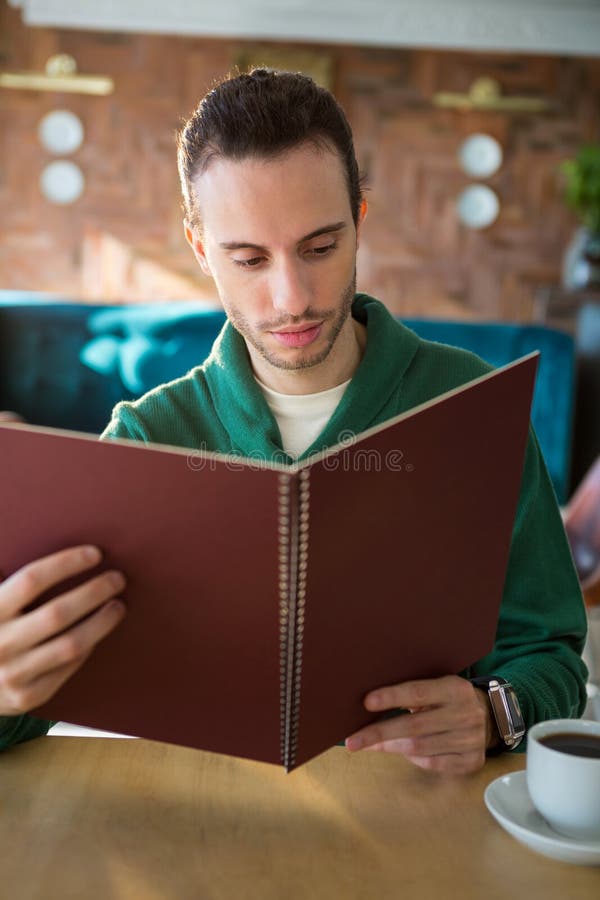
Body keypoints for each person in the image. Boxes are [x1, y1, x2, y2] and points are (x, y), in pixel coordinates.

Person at [0, 69, 588, 773]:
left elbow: (552, 658)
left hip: (417, 829)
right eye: (248, 259)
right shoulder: (147, 439)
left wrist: (495, 714)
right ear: (199, 251)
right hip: (194, 833)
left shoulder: (470, 404)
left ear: (360, 220)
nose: (293, 298)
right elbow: (31, 710)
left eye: (320, 247)